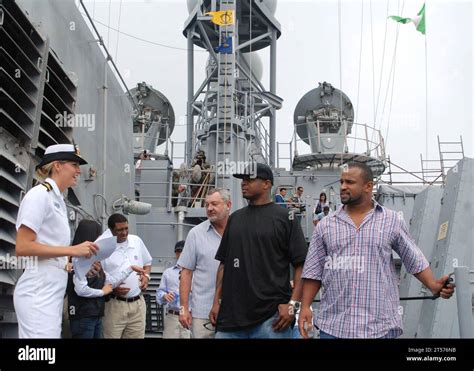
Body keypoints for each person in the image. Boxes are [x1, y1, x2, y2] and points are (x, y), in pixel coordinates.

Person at [299, 162, 455, 339]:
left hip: (379, 327)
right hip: (334, 327)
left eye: (349, 182)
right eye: (341, 181)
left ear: (368, 186)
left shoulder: (392, 220)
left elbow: (413, 258)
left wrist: (433, 285)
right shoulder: (325, 225)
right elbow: (314, 271)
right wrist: (305, 307)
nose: (343, 186)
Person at [210, 163, 308, 339]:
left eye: (249, 179)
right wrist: (216, 302)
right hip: (231, 321)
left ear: (267, 184)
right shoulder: (234, 219)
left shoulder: (287, 218)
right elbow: (224, 264)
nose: (243, 183)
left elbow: (302, 265)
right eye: (242, 179)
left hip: (272, 321)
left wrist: (293, 305)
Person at [14, 144, 98, 338]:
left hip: (51, 291)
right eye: (74, 164)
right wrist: (73, 250)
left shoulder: (57, 199)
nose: (78, 170)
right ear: (58, 166)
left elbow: (50, 251)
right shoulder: (39, 195)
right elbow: (23, 246)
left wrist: (74, 264)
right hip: (38, 292)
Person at [178, 188, 231, 338]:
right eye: (206, 204)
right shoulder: (195, 234)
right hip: (202, 314)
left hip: (235, 313)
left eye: (214, 204)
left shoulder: (240, 231)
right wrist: (183, 309)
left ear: (228, 205)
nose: (209, 208)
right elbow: (186, 273)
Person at [102, 214, 152, 338]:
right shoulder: (104, 247)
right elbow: (99, 275)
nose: (124, 233)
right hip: (114, 305)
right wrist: (111, 289)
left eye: (126, 228)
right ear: (111, 230)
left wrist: (146, 277)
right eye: (119, 230)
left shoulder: (136, 241)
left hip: (138, 305)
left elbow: (147, 262)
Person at [67, 220, 112, 338]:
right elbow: (80, 289)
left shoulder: (94, 259)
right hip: (83, 315)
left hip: (95, 314)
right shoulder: (76, 260)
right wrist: (102, 291)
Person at [156, 240, 191, 338]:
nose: (180, 254)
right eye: (178, 251)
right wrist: (164, 295)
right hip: (173, 316)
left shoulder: (196, 272)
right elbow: (159, 294)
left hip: (190, 316)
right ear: (175, 253)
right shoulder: (168, 272)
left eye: (183, 251)